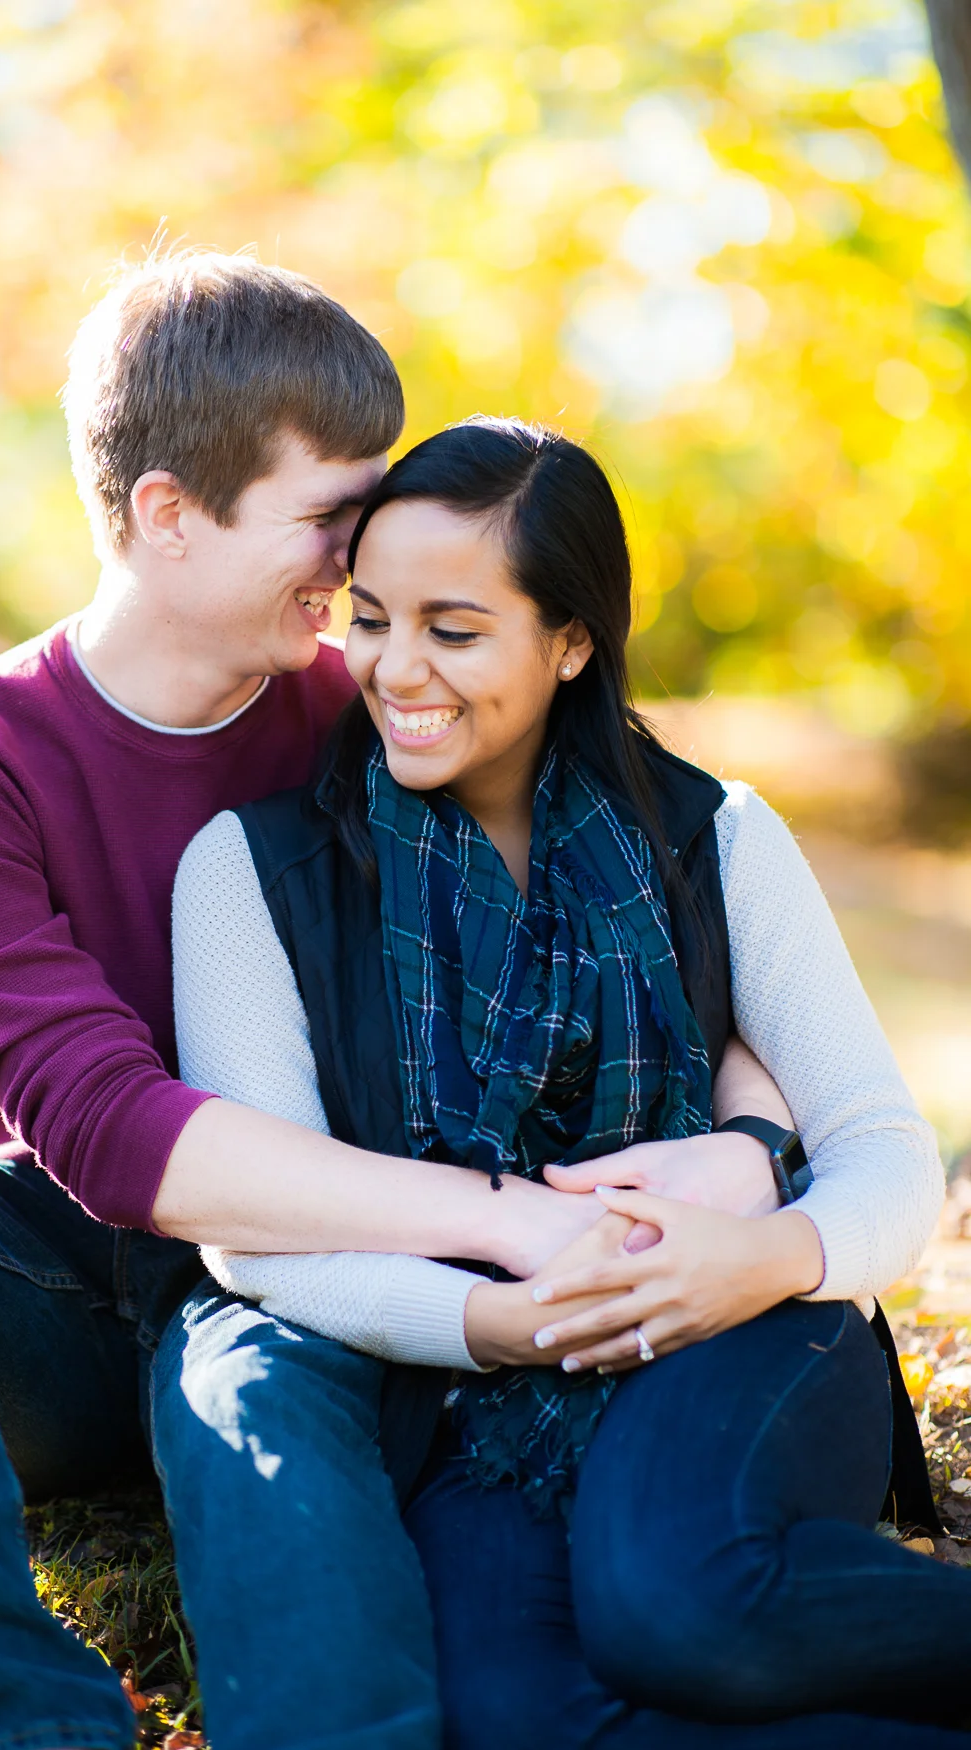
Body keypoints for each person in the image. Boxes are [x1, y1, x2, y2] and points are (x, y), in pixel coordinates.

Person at [0, 251, 787, 1750]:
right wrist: (502, 1216)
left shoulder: (373, 709)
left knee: (257, 1362)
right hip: (63, 1273)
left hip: (321, 1266)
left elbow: (648, 925)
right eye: (329, 514)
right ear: (167, 515)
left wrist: (749, 1138)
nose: (361, 559)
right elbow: (106, 1127)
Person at [172, 417, 967, 1748]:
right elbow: (265, 1243)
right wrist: (504, 1327)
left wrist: (766, 1256)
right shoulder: (254, 873)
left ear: (572, 641)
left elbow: (887, 1143)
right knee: (520, 1716)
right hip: (479, 1392)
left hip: (747, 1327)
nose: (395, 667)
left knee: (678, 1605)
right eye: (370, 617)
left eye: (456, 628)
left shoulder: (715, 836)